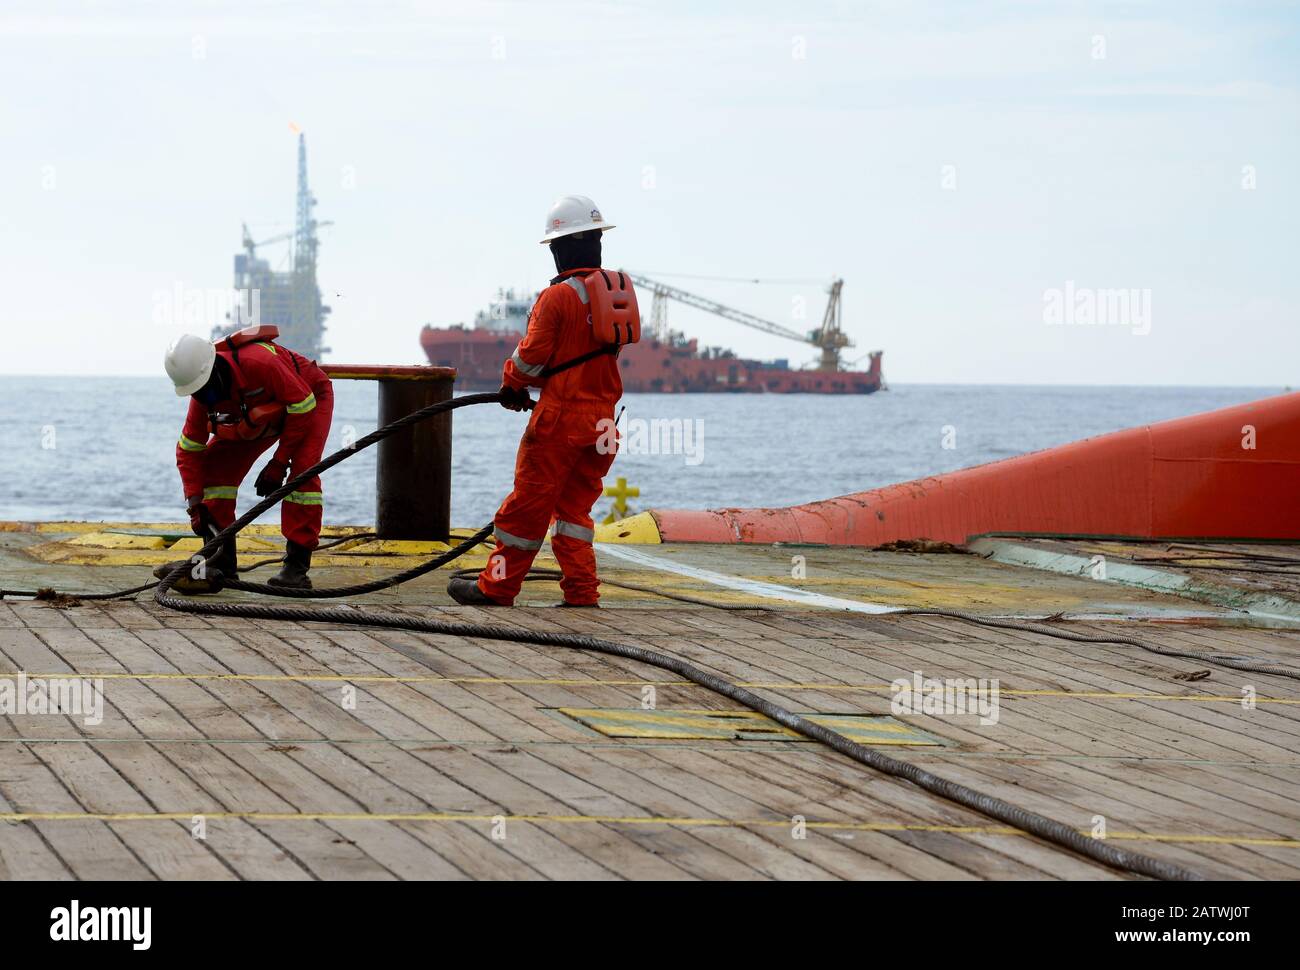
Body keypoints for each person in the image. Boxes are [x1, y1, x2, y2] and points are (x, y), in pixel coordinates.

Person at [447, 195, 623, 607]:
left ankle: (496, 588)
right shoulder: (614, 294)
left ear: (559, 248)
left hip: (561, 420)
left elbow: (529, 359)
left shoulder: (558, 297)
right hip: (604, 424)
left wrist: (512, 384)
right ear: (597, 241)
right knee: (574, 513)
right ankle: (581, 593)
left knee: (525, 509)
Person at [160, 326, 333, 590]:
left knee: (302, 475)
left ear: (216, 368)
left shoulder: (260, 362)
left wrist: (279, 462)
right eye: (198, 393)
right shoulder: (203, 395)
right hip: (260, 414)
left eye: (207, 389)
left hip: (308, 400)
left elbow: (302, 405)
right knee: (214, 471)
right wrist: (195, 505)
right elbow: (189, 448)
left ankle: (295, 569)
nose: (207, 398)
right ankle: (222, 563)